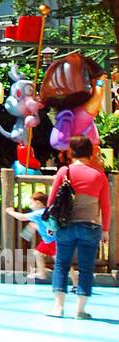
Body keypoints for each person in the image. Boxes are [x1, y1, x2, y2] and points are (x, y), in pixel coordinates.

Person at [46, 134, 110, 320]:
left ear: (71, 152)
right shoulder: (99, 176)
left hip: (66, 226)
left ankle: (58, 308)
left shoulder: (64, 172)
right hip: (91, 227)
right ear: (90, 153)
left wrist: (51, 225)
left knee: (61, 265)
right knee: (86, 268)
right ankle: (80, 310)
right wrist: (105, 229)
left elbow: (52, 202)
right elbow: (105, 206)